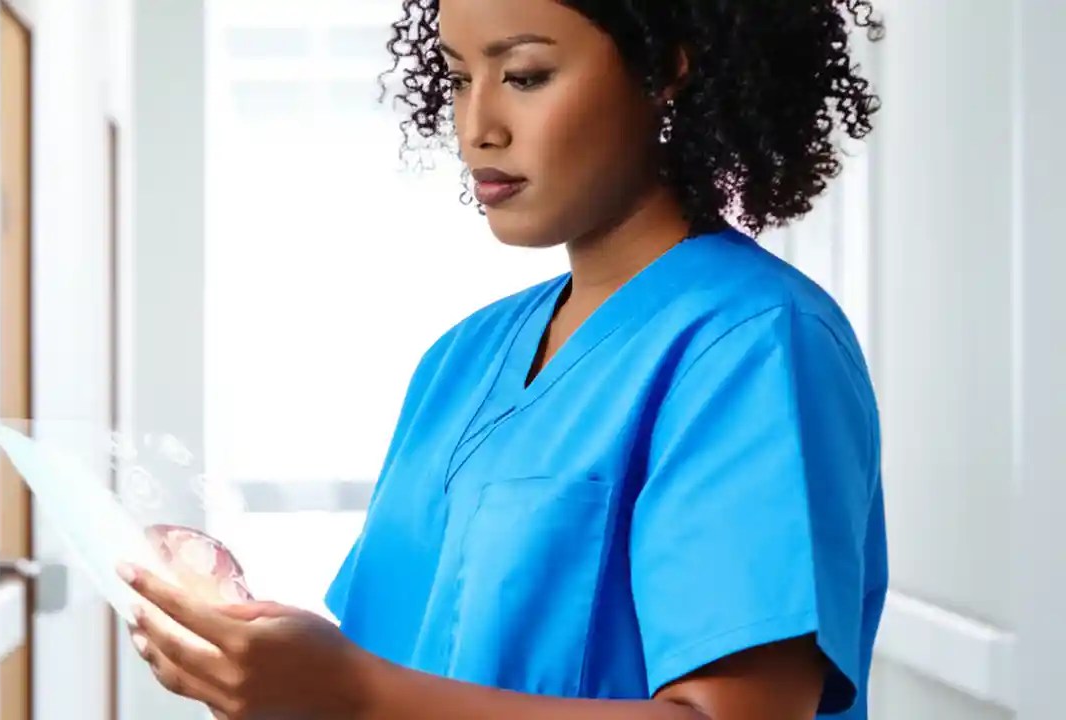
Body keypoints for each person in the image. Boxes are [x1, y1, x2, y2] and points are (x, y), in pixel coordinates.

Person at [119, 0, 888, 718]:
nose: (476, 125)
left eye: (524, 76)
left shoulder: (753, 342)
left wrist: (353, 694)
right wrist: (245, 635)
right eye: (457, 77)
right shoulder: (460, 358)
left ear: (665, 72)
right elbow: (408, 658)